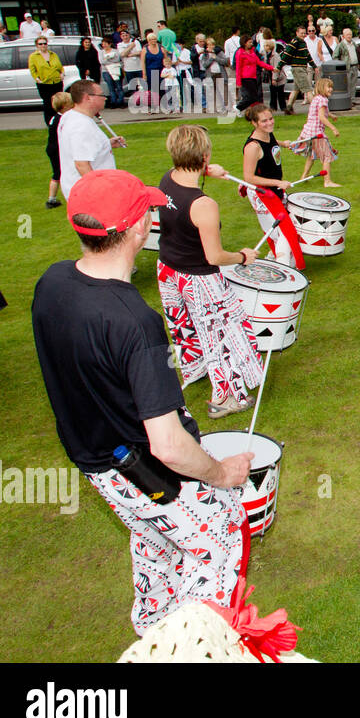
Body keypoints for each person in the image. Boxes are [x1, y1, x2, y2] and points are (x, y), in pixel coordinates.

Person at [31, 168, 252, 634]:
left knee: (152, 537)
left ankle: (152, 624)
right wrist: (221, 473)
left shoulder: (51, 283)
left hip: (97, 466)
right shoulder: (135, 322)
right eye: (148, 212)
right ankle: (193, 645)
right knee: (220, 534)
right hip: (144, 468)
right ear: (138, 228)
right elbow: (168, 445)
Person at [156, 125, 265, 418]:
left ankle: (194, 368)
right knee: (220, 334)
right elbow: (214, 256)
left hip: (167, 269)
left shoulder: (167, 179)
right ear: (205, 155)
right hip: (198, 278)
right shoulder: (204, 204)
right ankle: (225, 397)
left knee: (184, 328)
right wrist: (243, 256)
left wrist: (206, 172)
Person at [241, 104, 297, 269]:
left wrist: (283, 144)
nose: (269, 123)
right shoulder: (252, 147)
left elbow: (271, 142)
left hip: (275, 190)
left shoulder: (268, 134)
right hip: (262, 194)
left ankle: (273, 257)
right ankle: (283, 269)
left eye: (270, 118)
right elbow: (248, 177)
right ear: (254, 123)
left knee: (284, 228)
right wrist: (278, 183)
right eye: (264, 121)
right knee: (283, 232)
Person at [57, 80, 126, 199]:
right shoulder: (81, 125)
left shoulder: (69, 116)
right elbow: (81, 164)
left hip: (80, 189)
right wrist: (98, 192)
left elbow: (77, 148)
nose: (105, 98)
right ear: (87, 98)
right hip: (88, 194)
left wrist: (106, 144)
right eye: (101, 95)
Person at [294, 77, 341, 185]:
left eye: (331, 87)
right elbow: (321, 117)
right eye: (328, 87)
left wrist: (331, 115)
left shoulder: (317, 98)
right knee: (326, 156)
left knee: (311, 155)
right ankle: (327, 181)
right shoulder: (323, 100)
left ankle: (303, 177)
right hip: (316, 133)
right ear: (321, 88)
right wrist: (333, 128)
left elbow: (321, 111)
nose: (331, 89)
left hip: (308, 131)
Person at [282, 25, 313, 112]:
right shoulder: (294, 42)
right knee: (308, 89)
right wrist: (279, 66)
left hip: (302, 68)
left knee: (296, 89)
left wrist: (313, 65)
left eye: (304, 33)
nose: (303, 35)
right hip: (298, 68)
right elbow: (286, 55)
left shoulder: (303, 42)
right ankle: (316, 109)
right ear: (297, 33)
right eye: (301, 33)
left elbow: (307, 55)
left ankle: (288, 108)